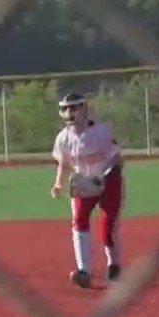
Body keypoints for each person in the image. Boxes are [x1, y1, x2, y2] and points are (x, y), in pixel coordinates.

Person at [48, 91, 125, 289]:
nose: (69, 112)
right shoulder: (63, 138)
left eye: (73, 107)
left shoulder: (100, 132)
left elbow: (116, 158)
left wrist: (108, 177)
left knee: (107, 229)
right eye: (64, 109)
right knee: (79, 221)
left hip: (108, 181)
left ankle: (114, 264)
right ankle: (84, 270)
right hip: (83, 183)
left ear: (84, 109)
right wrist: (59, 184)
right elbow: (64, 164)